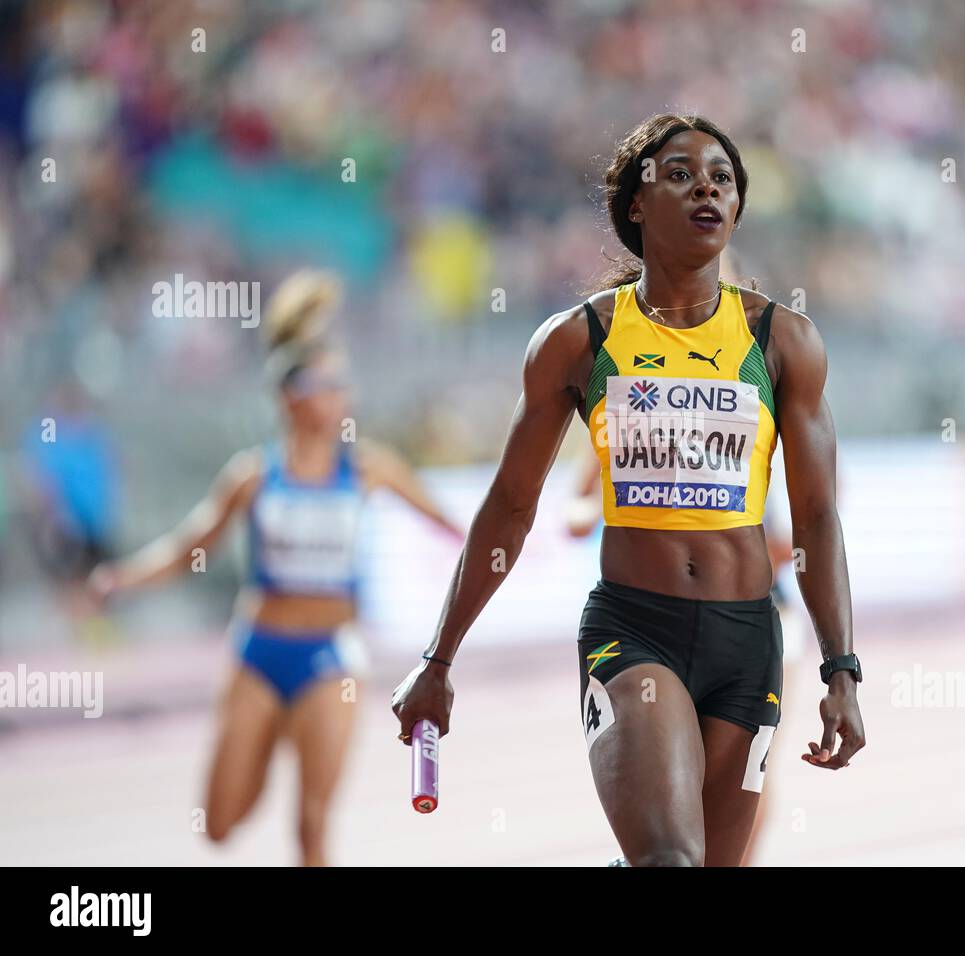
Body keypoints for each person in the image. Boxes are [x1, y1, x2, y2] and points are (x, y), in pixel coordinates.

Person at [393, 114, 863, 867]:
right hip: (634, 632)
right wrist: (439, 658)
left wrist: (842, 667)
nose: (706, 186)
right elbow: (510, 507)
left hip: (750, 640)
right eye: (679, 174)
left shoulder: (784, 342)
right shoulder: (579, 340)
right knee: (669, 861)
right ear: (636, 206)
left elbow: (816, 515)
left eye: (722, 178)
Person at [90, 269, 462, 866]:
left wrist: (505, 542)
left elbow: (457, 524)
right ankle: (263, 752)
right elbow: (191, 547)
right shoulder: (254, 474)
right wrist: (119, 579)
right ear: (292, 394)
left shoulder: (369, 468)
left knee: (312, 827)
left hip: (330, 657)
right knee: (218, 825)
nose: (344, 395)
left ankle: (294, 735)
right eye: (328, 382)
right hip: (259, 651)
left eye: (345, 383)